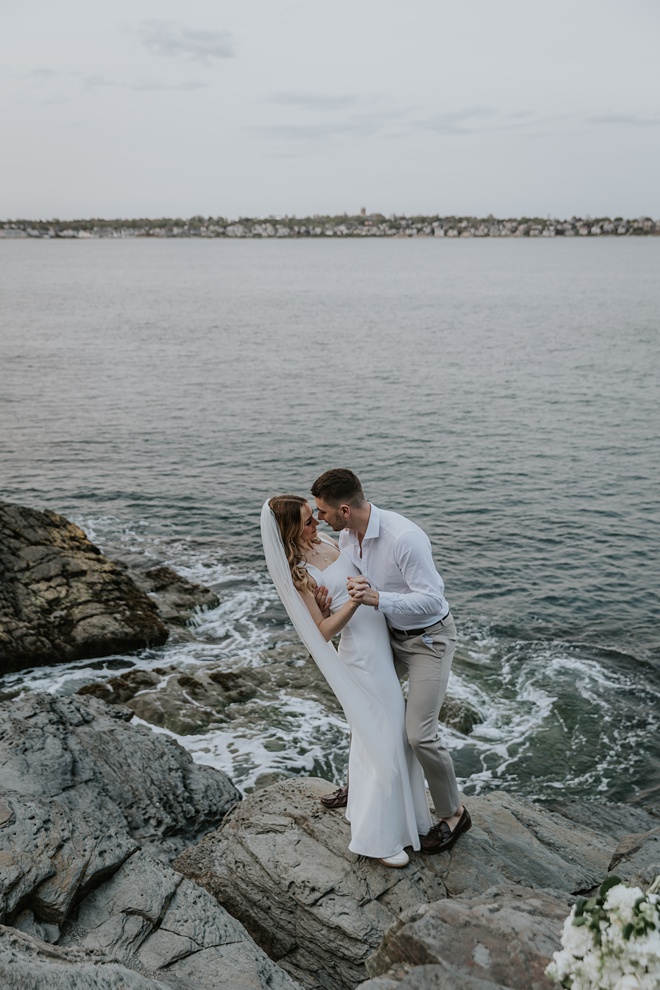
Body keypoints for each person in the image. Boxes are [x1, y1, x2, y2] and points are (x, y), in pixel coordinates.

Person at [261, 495, 432, 868]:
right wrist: (353, 604)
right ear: (290, 530)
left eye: (314, 516)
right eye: (308, 521)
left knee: (383, 737)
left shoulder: (325, 542)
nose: (316, 524)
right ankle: (377, 838)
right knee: (384, 739)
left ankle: (390, 817)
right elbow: (320, 632)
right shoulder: (298, 572)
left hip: (381, 647)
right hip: (361, 658)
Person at [310, 469, 471, 854]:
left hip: (427, 640)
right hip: (387, 636)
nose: (319, 520)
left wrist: (379, 599)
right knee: (363, 706)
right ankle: (362, 785)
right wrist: (328, 600)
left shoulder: (405, 539)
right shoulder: (347, 535)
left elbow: (433, 600)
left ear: (344, 510)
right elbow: (352, 582)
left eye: (323, 512)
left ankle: (454, 815)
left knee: (419, 734)